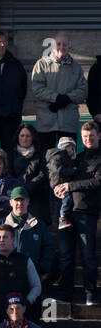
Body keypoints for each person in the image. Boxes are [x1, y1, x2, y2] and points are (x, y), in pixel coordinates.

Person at [52, 121, 101, 305]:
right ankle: (65, 293)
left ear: (98, 136)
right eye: (85, 136)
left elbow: (96, 182)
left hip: (87, 212)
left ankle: (90, 293)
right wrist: (59, 188)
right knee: (65, 255)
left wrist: (69, 186)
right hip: (67, 213)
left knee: (88, 255)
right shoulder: (77, 157)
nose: (88, 139)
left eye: (91, 135)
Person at [30, 33, 87, 151]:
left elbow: (83, 91)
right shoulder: (41, 64)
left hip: (68, 122)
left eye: (65, 44)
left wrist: (67, 98)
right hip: (46, 121)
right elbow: (37, 88)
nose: (62, 47)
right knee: (45, 158)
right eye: (58, 44)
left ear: (69, 47)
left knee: (68, 159)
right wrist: (56, 98)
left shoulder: (76, 67)